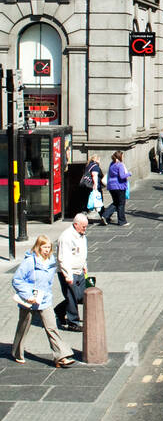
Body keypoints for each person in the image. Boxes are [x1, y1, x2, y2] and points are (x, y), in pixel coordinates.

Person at [11, 235, 75, 367]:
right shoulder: (29, 262)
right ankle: (17, 352)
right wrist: (27, 295)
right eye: (44, 247)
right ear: (38, 247)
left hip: (44, 300)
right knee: (23, 327)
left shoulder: (51, 260)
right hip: (29, 300)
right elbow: (17, 280)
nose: (47, 250)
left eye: (49, 247)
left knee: (52, 327)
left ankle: (61, 356)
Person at [55, 214, 89, 332]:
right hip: (69, 272)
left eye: (86, 226)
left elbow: (82, 252)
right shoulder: (66, 237)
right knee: (72, 296)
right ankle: (72, 322)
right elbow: (63, 258)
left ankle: (59, 310)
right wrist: (68, 275)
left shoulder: (81, 235)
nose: (85, 229)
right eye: (83, 227)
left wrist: (84, 265)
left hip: (79, 270)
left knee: (80, 296)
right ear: (76, 225)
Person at [103, 151, 132, 227]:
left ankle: (105, 215)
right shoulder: (120, 165)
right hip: (119, 186)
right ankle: (122, 221)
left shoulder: (111, 164)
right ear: (120, 157)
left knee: (116, 203)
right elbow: (122, 176)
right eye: (122, 156)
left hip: (111, 186)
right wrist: (129, 173)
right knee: (121, 204)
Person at [80, 155, 107, 225]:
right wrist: (95, 185)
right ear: (96, 160)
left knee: (87, 201)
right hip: (93, 186)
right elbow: (94, 175)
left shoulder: (88, 165)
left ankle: (84, 216)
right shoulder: (95, 166)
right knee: (98, 200)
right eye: (99, 160)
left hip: (87, 186)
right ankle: (104, 216)